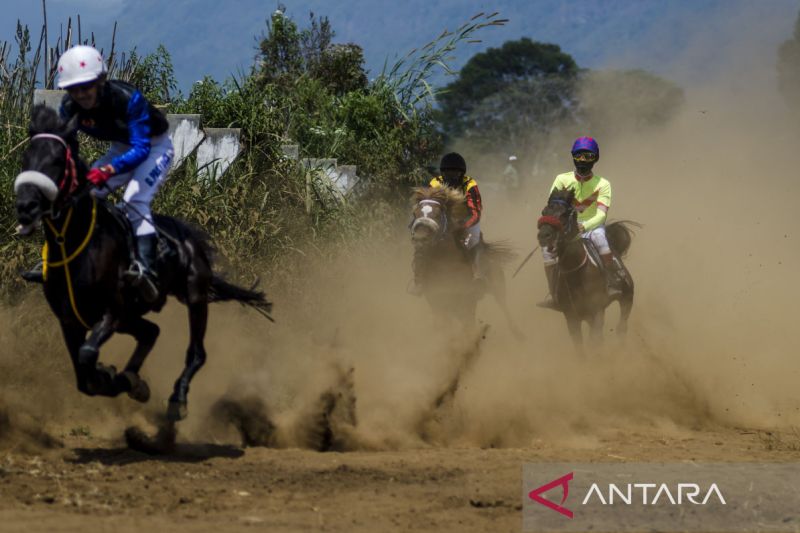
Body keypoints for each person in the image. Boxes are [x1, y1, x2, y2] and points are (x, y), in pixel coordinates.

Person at [24, 45, 174, 303]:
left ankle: (147, 272)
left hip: (154, 148)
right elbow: (66, 148)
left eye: (86, 86)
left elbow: (141, 148)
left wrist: (108, 170)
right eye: (74, 89)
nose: (81, 94)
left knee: (134, 200)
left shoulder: (129, 99)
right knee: (76, 196)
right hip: (120, 147)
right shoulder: (69, 108)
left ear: (101, 81)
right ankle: (52, 260)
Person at [538, 136, 626, 309]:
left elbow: (601, 215)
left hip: (591, 226)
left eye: (588, 156)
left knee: (601, 240)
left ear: (596, 158)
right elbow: (553, 207)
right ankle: (554, 294)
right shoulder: (561, 180)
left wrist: (584, 226)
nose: (583, 161)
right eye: (579, 156)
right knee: (546, 251)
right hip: (565, 227)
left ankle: (611, 283)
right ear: (573, 157)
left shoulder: (603, 184)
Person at [410, 152, 485, 295]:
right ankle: (419, 280)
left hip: (467, 221)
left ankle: (477, 276)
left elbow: (476, 213)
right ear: (442, 173)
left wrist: (462, 226)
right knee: (421, 243)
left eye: (455, 173)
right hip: (442, 221)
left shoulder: (470, 184)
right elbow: (426, 204)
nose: (451, 176)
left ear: (462, 174)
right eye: (448, 172)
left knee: (473, 241)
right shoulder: (434, 183)